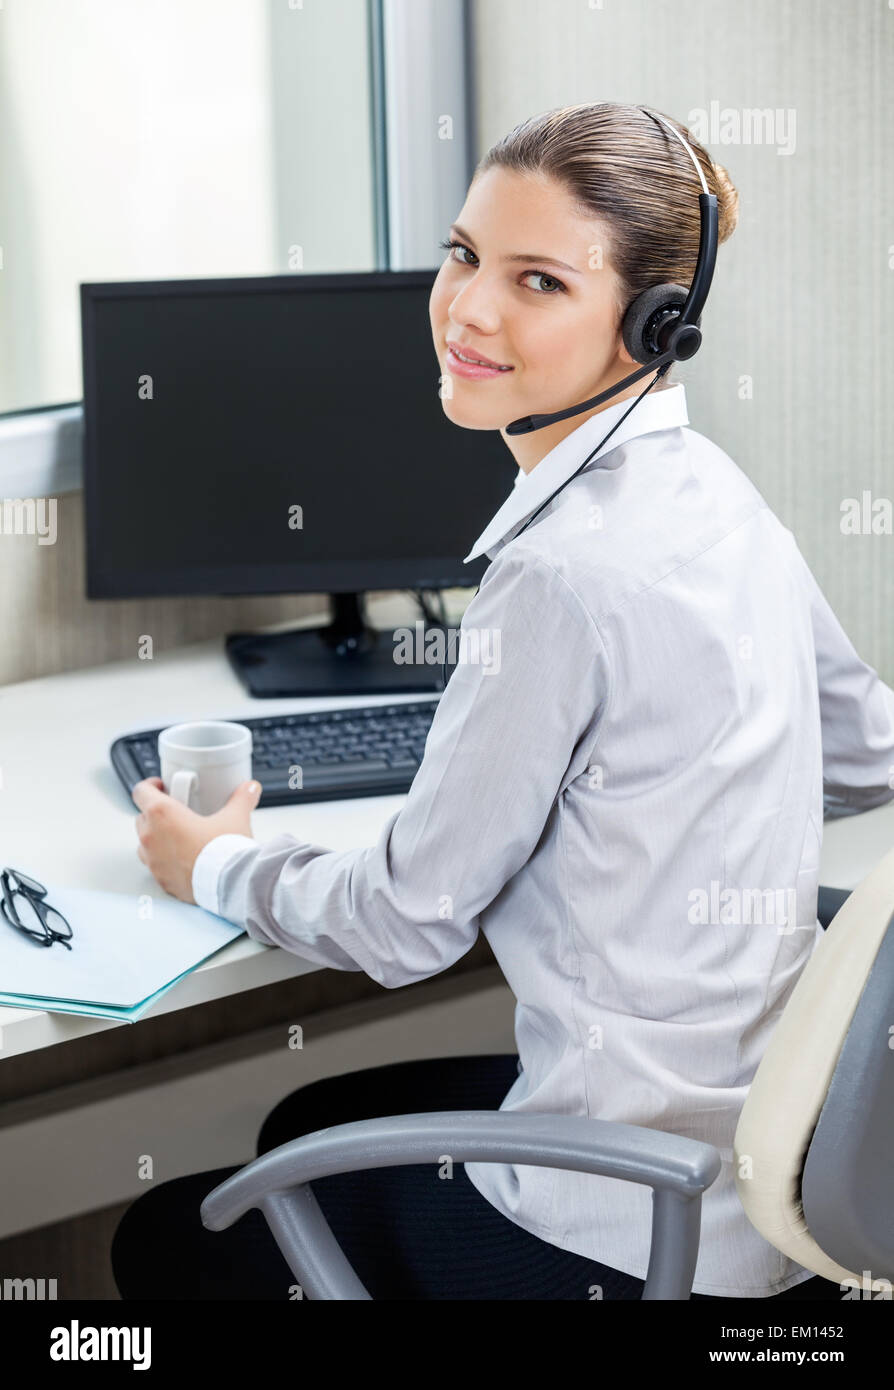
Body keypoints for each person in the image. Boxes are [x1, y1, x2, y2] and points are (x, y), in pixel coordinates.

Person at [113, 102, 891, 1301]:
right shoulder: (717, 493)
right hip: (757, 1179)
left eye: (536, 280)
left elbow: (401, 924)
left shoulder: (560, 577)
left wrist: (214, 864)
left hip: (627, 1234)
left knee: (172, 1234)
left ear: (653, 326)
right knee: (318, 1107)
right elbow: (868, 750)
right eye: (465, 253)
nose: (468, 309)